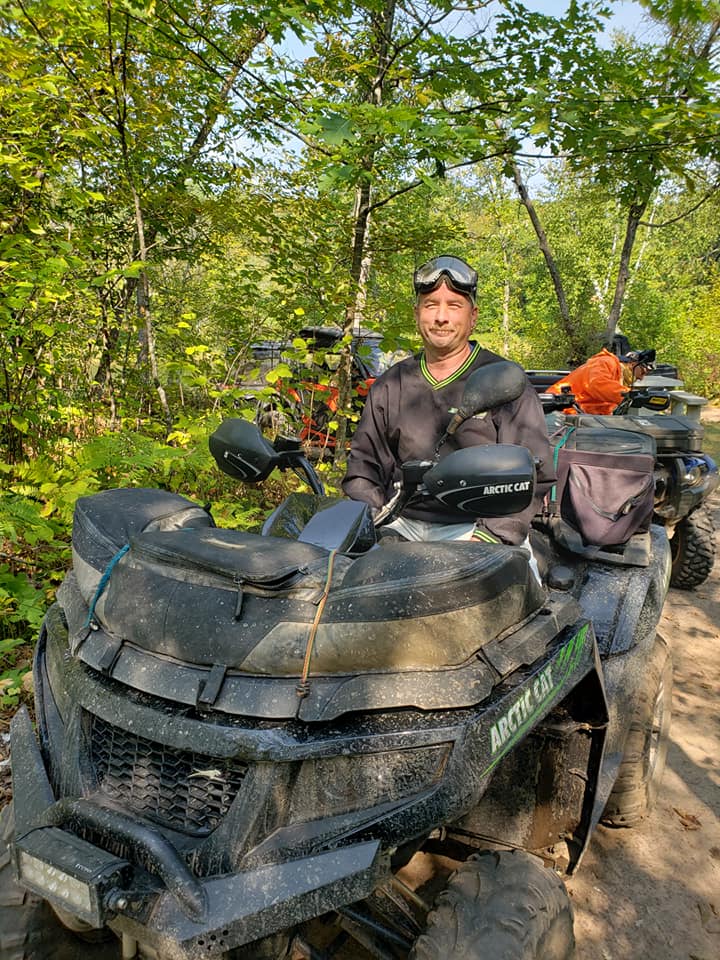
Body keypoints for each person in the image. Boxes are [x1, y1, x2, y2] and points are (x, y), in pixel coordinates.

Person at [342, 255, 555, 549]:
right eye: (431, 305)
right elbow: (363, 469)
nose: (441, 317)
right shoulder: (391, 385)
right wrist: (376, 522)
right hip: (401, 523)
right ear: (417, 313)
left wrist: (490, 536)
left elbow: (534, 474)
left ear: (473, 316)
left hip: (479, 529)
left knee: (518, 587)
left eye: (454, 306)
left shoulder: (504, 383)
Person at [546, 347, 655, 416]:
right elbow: (597, 385)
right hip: (557, 410)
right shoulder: (606, 362)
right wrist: (629, 395)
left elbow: (601, 405)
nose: (641, 378)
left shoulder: (618, 378)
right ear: (632, 364)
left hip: (579, 414)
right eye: (643, 372)